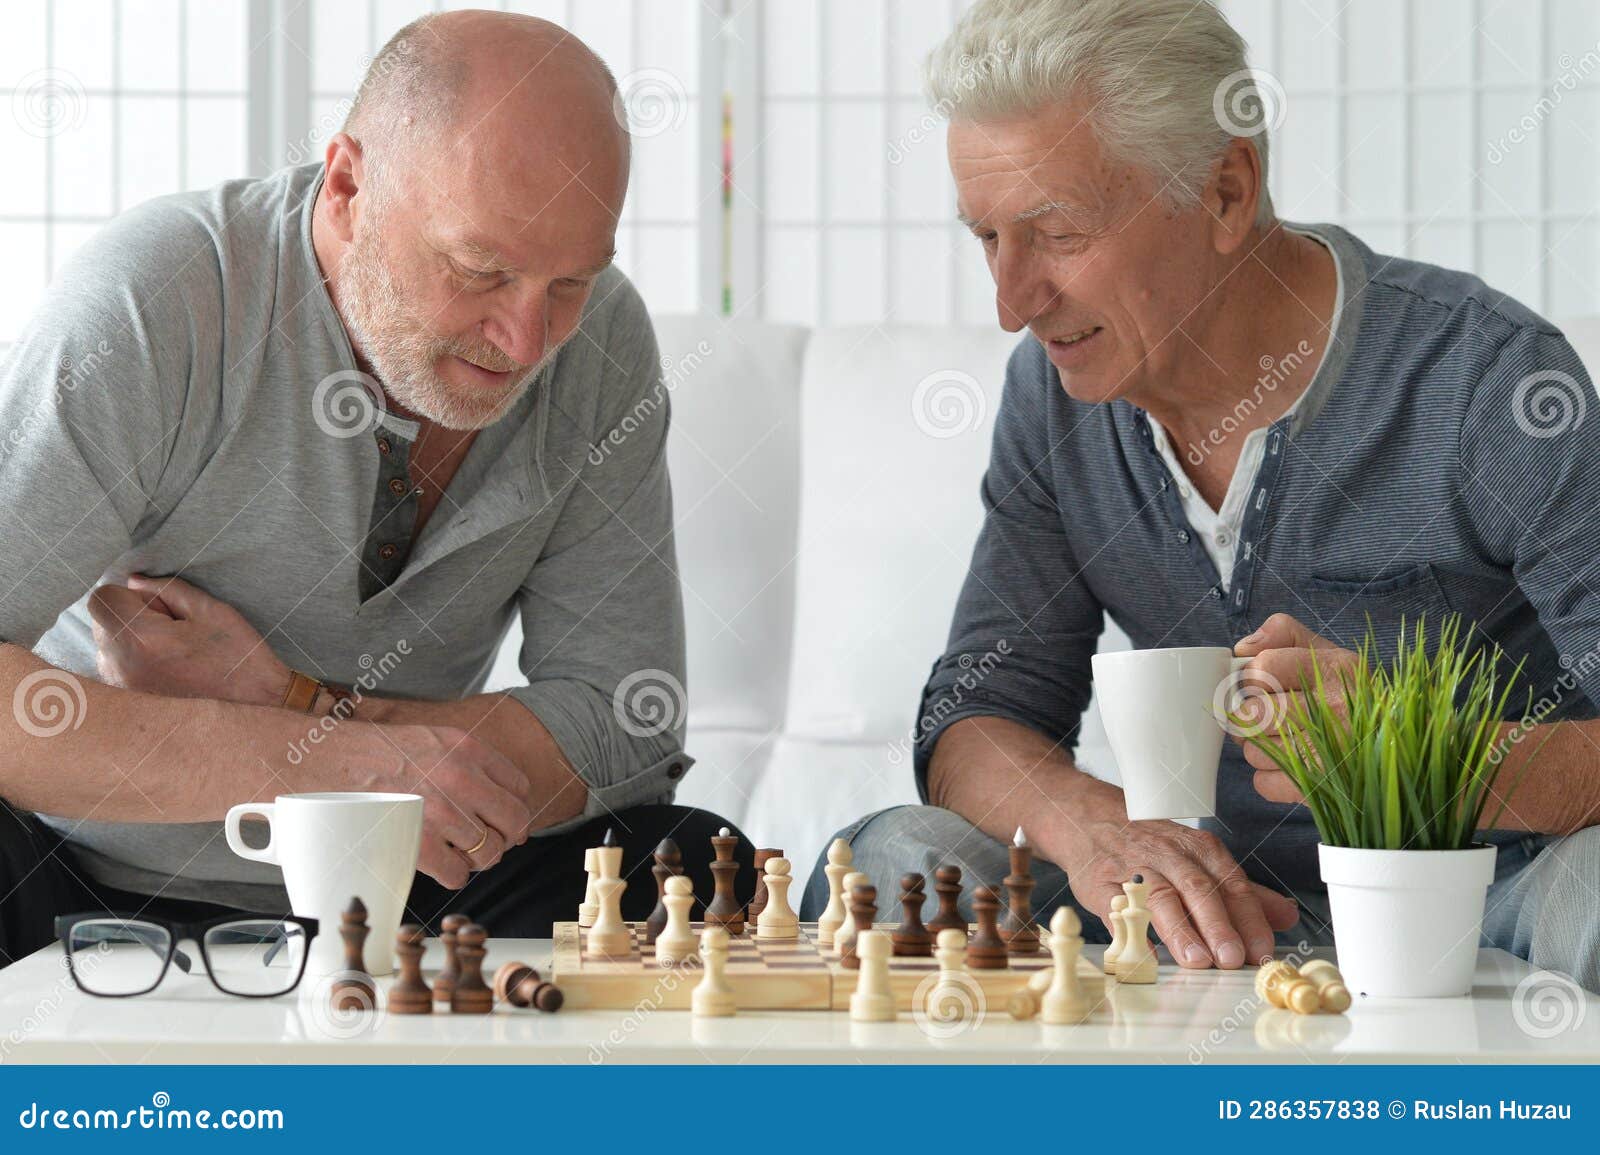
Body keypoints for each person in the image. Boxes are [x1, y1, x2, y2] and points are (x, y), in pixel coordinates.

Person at [802, 0, 1600, 990]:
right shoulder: (1054, 393)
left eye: (1054, 232)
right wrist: (1090, 826)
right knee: (891, 860)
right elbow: (978, 718)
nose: (1012, 301)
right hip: (1197, 923)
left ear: (1226, 191)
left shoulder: (1490, 381)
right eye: (987, 238)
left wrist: (1429, 753)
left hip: (1479, 913)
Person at [0, 10, 748, 968]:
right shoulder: (161, 298)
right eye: (481, 271)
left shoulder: (601, 343)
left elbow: (625, 722)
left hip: (407, 886)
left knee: (683, 862)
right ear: (350, 186)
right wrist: (325, 765)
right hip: (80, 875)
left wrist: (290, 701)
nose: (525, 342)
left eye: (569, 285)